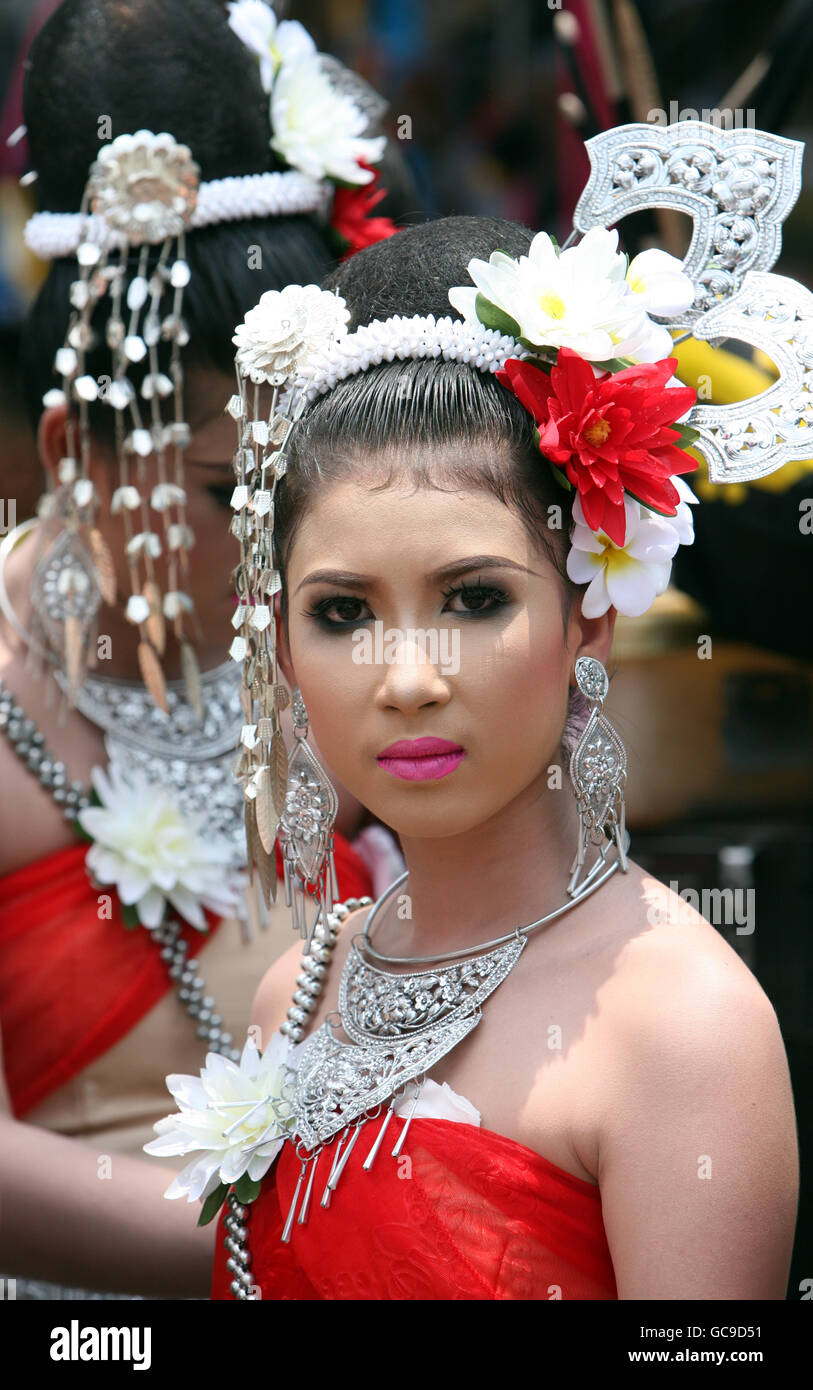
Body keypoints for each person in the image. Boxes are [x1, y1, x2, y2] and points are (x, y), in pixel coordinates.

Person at [149, 191, 800, 1299]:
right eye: (344, 613)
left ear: (588, 609)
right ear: (281, 643)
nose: (407, 678)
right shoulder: (295, 999)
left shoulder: (682, 1031)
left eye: (474, 598)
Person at [0, 0, 407, 1297]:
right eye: (230, 483)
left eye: (303, 482)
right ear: (70, 454)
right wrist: (282, 1242)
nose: (281, 544)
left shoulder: (350, 635)